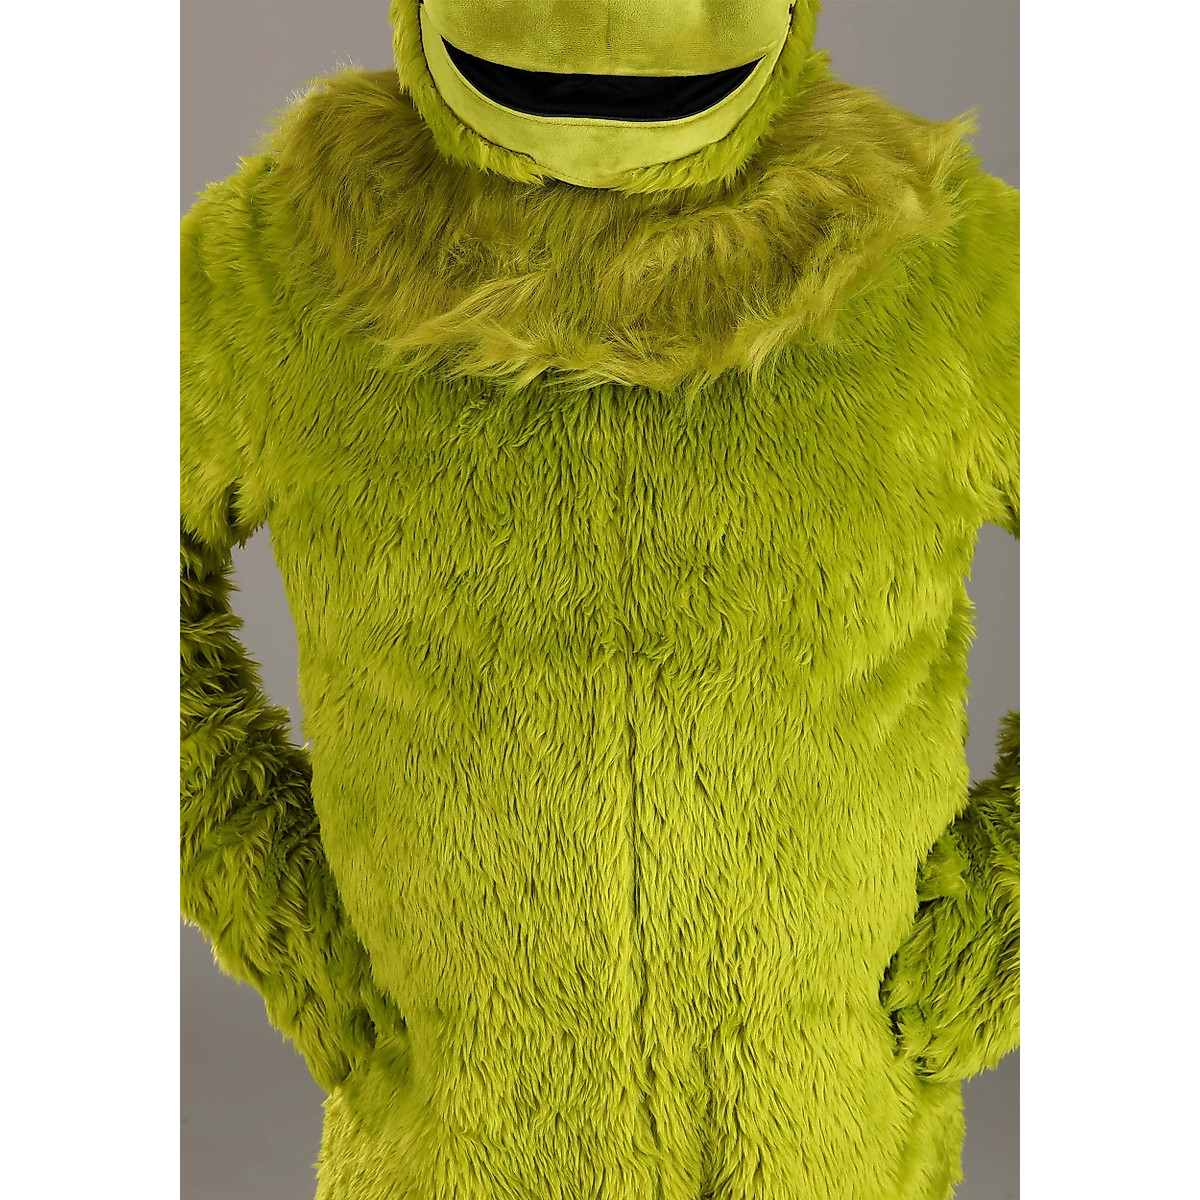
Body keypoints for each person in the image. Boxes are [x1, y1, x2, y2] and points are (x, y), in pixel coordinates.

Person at [180, 3, 1019, 1197]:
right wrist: (298, 936)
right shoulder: (281, 259)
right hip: (448, 1142)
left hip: (826, 1136)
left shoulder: (941, 254)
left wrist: (990, 944)